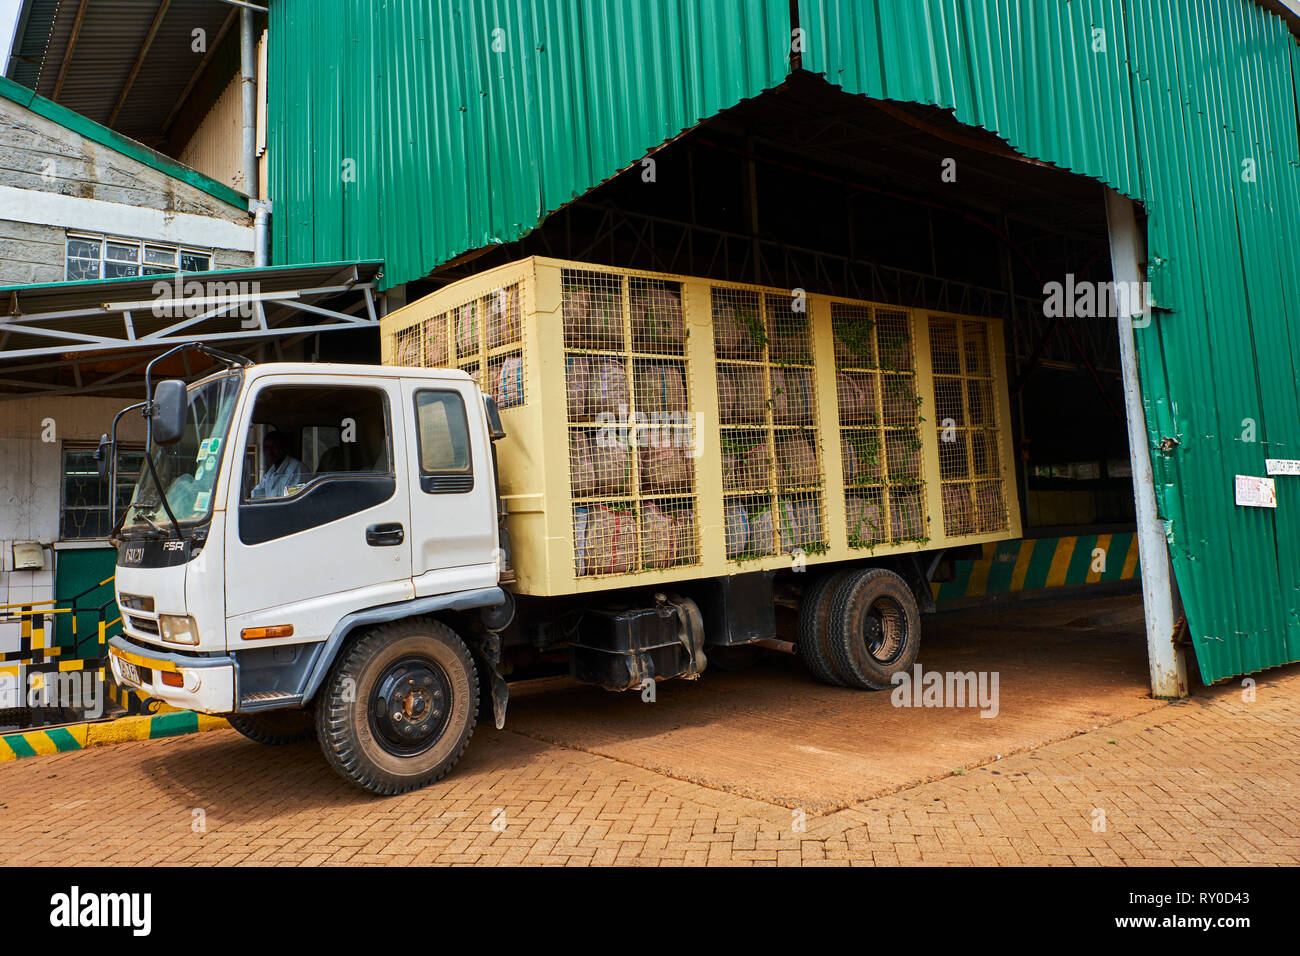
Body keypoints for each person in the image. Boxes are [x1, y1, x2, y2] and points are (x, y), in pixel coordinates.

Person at [251, 431, 303, 499]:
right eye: (266, 448)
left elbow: (292, 501)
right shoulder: (271, 472)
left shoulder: (296, 469)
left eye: (274, 447)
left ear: (283, 448)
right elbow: (256, 494)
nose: (269, 451)